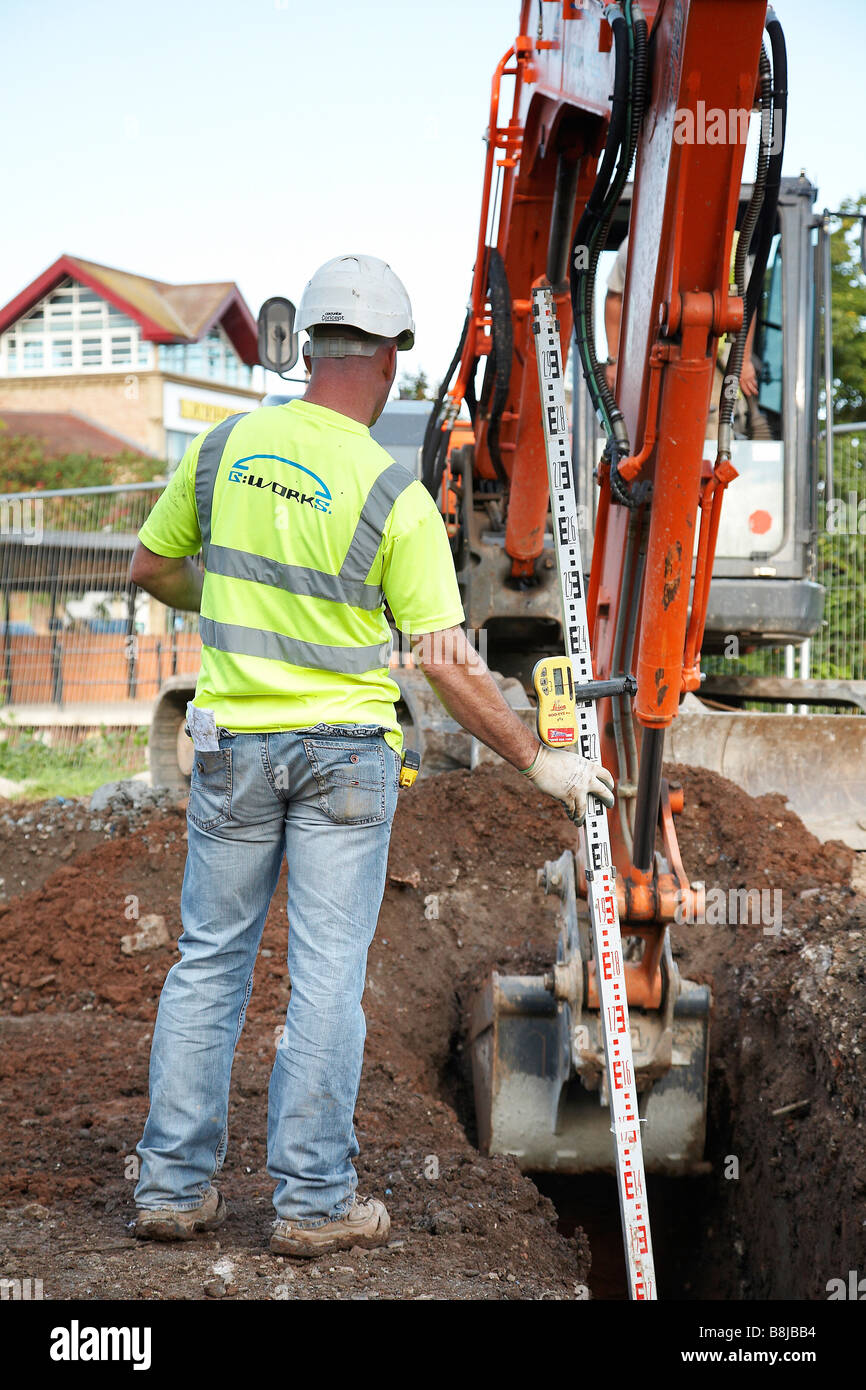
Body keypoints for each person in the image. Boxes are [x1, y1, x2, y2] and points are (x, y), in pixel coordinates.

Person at [128, 253, 615, 1258]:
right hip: (344, 758)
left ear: (304, 346)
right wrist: (536, 761)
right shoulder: (392, 495)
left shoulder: (222, 449)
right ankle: (311, 1203)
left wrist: (221, 603)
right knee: (324, 980)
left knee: (208, 964)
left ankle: (171, 1189)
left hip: (232, 746)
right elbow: (445, 660)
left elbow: (150, 566)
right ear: (392, 360)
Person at [603, 234, 769, 437]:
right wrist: (614, 360)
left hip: (714, 370)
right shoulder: (641, 236)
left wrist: (742, 361)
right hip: (646, 364)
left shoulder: (733, 245)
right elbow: (615, 297)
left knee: (710, 434)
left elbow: (746, 306)